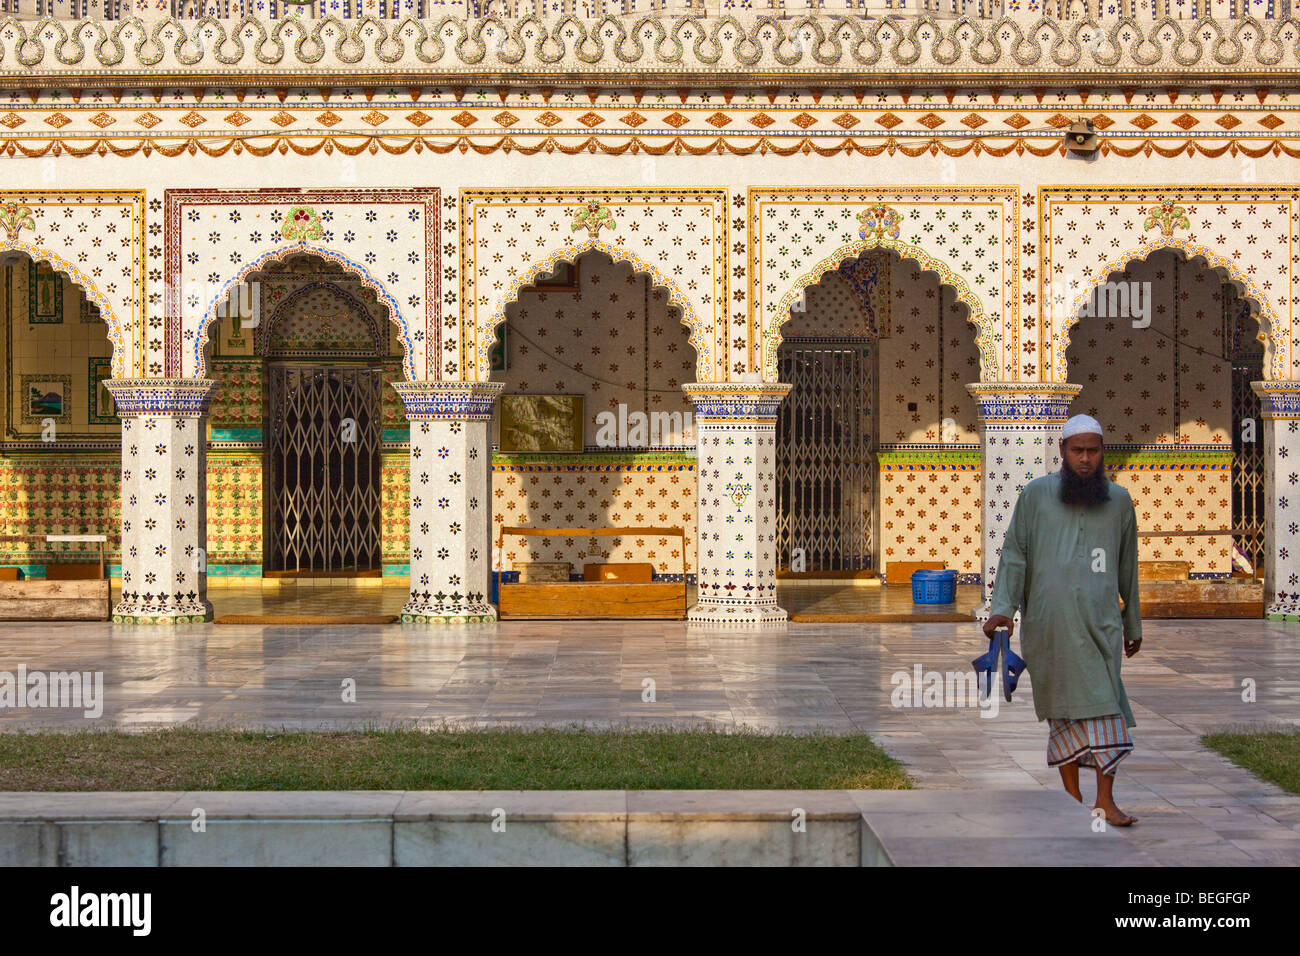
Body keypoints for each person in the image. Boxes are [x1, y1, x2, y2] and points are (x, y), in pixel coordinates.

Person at [983, 414, 1143, 826]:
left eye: (1093, 451)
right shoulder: (1035, 496)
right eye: (1078, 451)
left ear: (1102, 452)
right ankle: (1072, 801)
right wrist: (1003, 608)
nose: (1085, 459)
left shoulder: (1120, 501)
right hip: (1049, 627)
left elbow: (1129, 569)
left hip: (1102, 625)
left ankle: (1105, 800)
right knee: (1064, 716)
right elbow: (1015, 555)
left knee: (1109, 709)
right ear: (1062, 452)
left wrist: (1134, 625)